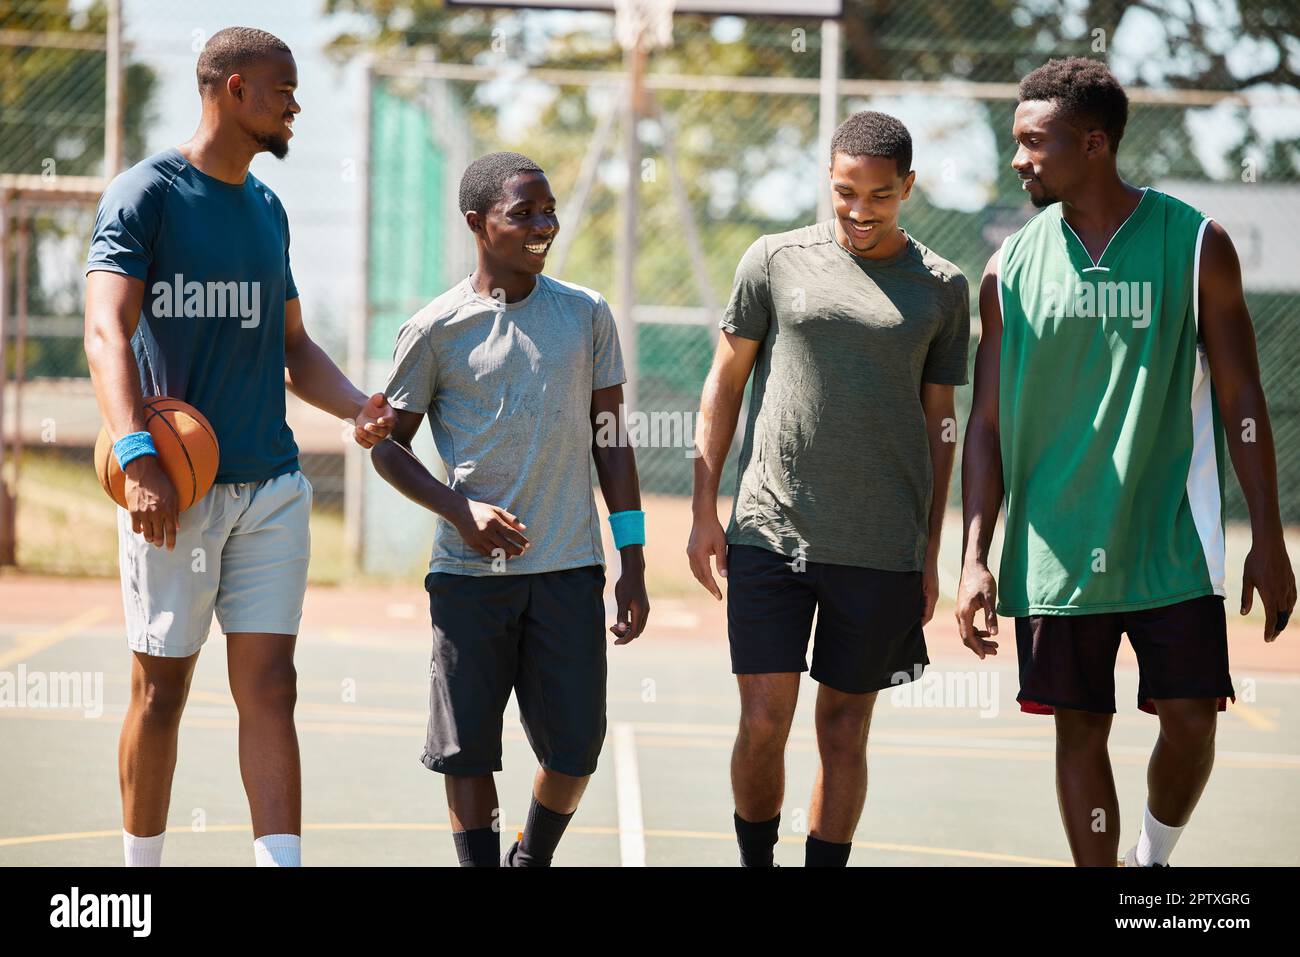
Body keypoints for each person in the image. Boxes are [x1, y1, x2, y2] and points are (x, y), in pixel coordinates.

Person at [956, 56, 1297, 866]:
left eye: (1035, 142)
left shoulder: (1195, 244)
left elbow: (1242, 398)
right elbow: (987, 424)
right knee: (1081, 729)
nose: (1018, 159)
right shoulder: (1007, 270)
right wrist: (971, 554)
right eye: (1016, 142)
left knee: (1191, 720)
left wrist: (1271, 537)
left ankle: (1151, 857)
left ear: (1096, 143)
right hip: (1054, 545)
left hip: (1169, 540)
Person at [84, 26, 394, 867]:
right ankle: (137, 880)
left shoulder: (267, 208)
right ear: (234, 91)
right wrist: (139, 452)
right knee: (162, 691)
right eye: (282, 88)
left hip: (271, 486)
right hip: (177, 489)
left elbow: (295, 348)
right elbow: (106, 332)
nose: (295, 103)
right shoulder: (145, 195)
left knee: (271, 688)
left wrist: (357, 404)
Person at [688, 111, 970, 867]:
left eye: (879, 195)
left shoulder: (944, 288)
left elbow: (942, 426)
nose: (859, 210)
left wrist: (931, 550)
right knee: (763, 718)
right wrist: (702, 509)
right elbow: (724, 382)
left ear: (907, 187)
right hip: (768, 534)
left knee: (845, 729)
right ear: (829, 180)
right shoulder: (773, 260)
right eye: (846, 192)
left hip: (880, 548)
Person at [371, 151, 650, 867]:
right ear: (477, 222)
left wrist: (633, 557)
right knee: (467, 754)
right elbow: (389, 449)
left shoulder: (586, 314)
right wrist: (461, 510)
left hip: (568, 571)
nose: (542, 225)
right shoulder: (436, 329)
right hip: (468, 577)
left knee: (576, 749)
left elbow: (612, 442)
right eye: (522, 213)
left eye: (547, 210)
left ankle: (532, 856)